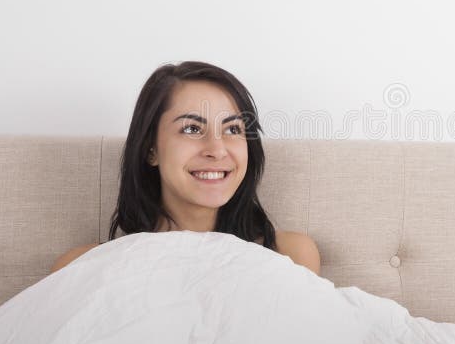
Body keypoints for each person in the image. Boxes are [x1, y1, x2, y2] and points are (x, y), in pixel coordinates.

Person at [50, 61, 321, 275]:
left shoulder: (291, 256)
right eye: (192, 128)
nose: (216, 149)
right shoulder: (80, 267)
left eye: (233, 129)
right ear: (150, 149)